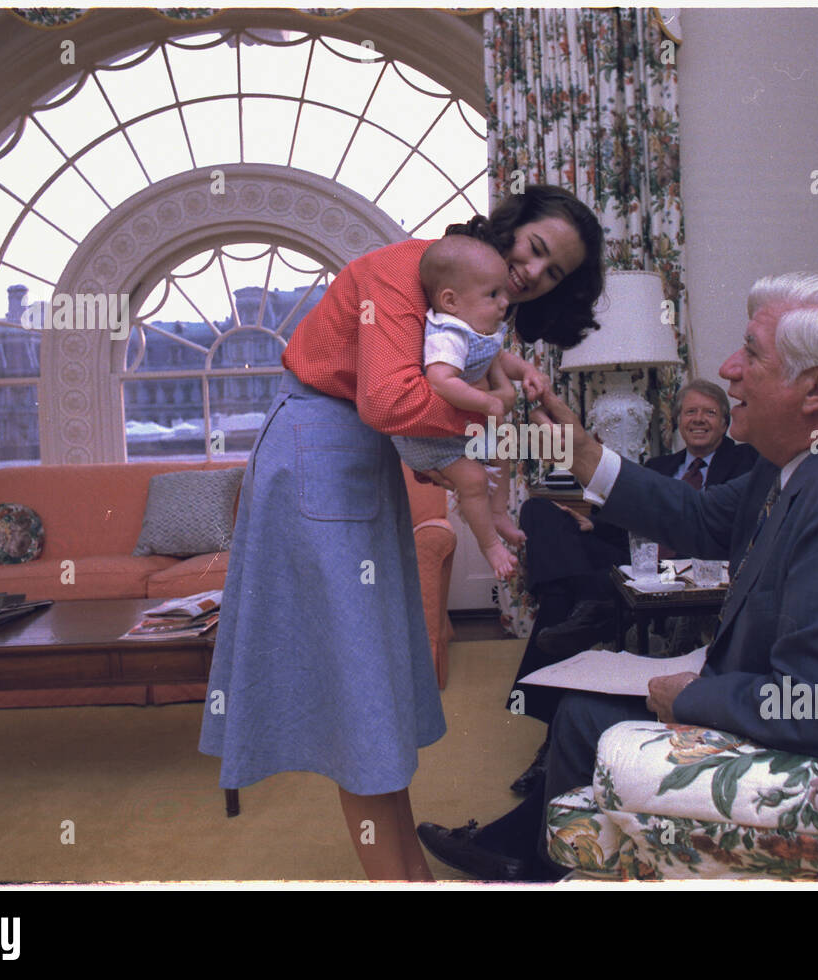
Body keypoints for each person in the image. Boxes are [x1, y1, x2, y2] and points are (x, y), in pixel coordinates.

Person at [418, 271, 818, 881]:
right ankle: (537, 859)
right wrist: (583, 454)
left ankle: (546, 869)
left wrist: (692, 695)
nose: (728, 368)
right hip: (803, 711)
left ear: (817, 387)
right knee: (584, 702)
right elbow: (698, 517)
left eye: (751, 352)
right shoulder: (810, 456)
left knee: (590, 723)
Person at [199, 184, 605, 881]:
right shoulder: (404, 274)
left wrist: (495, 391)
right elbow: (389, 400)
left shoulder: (462, 298)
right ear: (509, 228)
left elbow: (424, 390)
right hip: (320, 463)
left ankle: (407, 874)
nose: (535, 273)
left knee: (371, 700)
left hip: (354, 464)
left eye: (554, 271)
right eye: (536, 248)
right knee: (358, 700)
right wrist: (488, 423)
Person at [503, 379, 759, 796]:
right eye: (690, 412)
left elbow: (704, 519)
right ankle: (581, 603)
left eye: (709, 412)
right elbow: (626, 513)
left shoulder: (747, 462)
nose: (698, 419)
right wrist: (590, 517)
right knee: (540, 508)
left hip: (691, 562)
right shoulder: (659, 466)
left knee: (566, 603)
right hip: (631, 559)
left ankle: (553, 737)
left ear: (726, 423)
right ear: (676, 421)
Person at [391, 236, 551, 579]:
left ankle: (497, 513)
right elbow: (440, 380)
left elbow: (499, 357)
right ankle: (490, 545)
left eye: (503, 293)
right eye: (493, 295)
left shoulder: (474, 327)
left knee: (502, 449)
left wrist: (528, 372)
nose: (505, 302)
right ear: (451, 300)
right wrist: (487, 400)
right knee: (474, 478)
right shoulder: (447, 334)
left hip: (457, 427)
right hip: (429, 436)